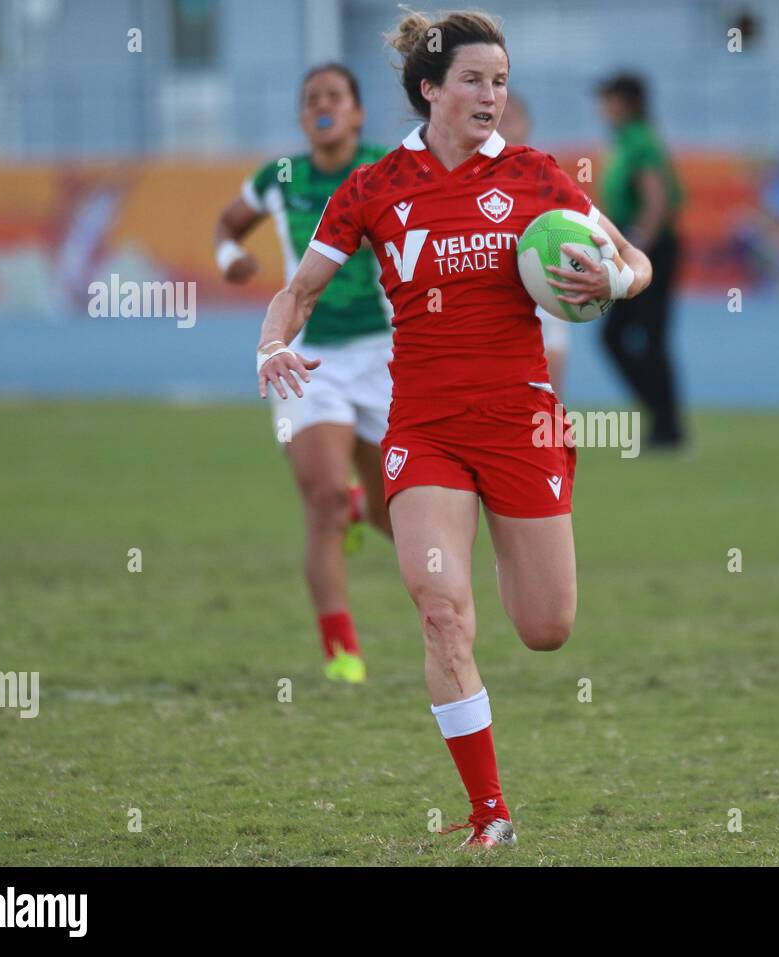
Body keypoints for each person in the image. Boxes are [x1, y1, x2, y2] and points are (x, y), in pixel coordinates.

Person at [254, 10, 652, 849]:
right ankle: (489, 813)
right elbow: (299, 291)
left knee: (546, 627)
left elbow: (634, 263)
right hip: (424, 428)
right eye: (474, 79)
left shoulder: (540, 177)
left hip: (520, 424)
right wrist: (269, 345)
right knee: (441, 610)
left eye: (500, 81)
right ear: (429, 88)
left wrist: (609, 277)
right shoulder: (373, 188)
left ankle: (514, 567)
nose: (491, 94)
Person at [214, 64, 393, 685]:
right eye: (311, 99)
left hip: (387, 355)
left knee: (396, 516)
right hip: (307, 357)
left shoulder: (385, 168)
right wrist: (231, 255)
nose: (322, 107)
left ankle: (360, 504)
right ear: (301, 116)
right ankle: (341, 649)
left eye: (335, 97)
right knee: (320, 501)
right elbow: (228, 223)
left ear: (358, 111)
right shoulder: (280, 176)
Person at [595, 72, 687, 449]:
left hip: (651, 251)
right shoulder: (624, 139)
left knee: (646, 337)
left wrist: (636, 248)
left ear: (627, 102)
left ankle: (666, 424)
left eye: (608, 99)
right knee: (627, 336)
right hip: (640, 248)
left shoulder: (638, 139)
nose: (603, 108)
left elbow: (656, 196)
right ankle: (662, 419)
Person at [497, 91, 571, 392]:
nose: (503, 129)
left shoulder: (547, 179)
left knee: (547, 396)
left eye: (510, 120)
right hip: (487, 299)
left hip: (542, 293)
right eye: (496, 121)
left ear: (527, 125)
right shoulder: (461, 181)